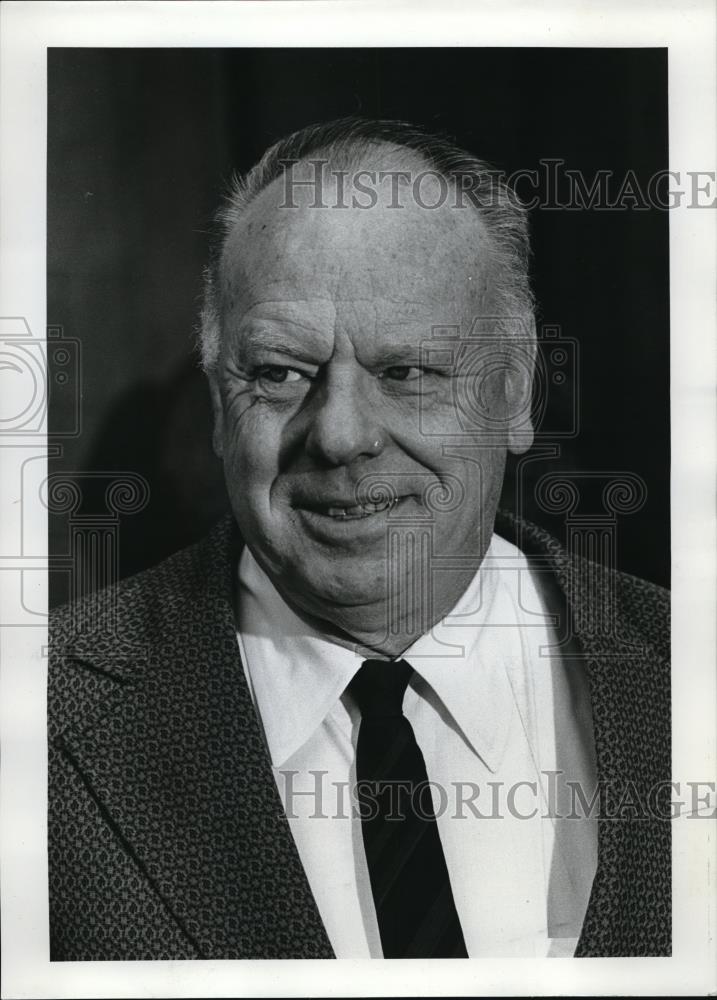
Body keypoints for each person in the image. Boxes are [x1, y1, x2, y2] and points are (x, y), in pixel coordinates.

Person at [48, 118, 670, 960]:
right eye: (279, 373)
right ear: (219, 408)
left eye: (407, 372)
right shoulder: (39, 717)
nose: (340, 435)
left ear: (515, 394)